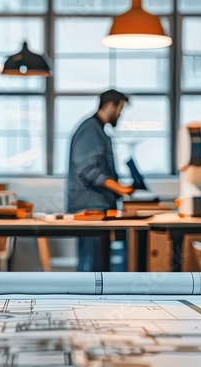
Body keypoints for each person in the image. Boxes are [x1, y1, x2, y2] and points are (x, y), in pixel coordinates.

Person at [65, 89, 134, 272]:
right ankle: (86, 301)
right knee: (91, 268)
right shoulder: (90, 129)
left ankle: (97, 300)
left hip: (98, 209)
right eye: (120, 109)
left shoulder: (98, 130)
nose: (120, 114)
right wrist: (119, 188)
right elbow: (87, 169)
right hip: (89, 210)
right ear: (111, 106)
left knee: (100, 267)